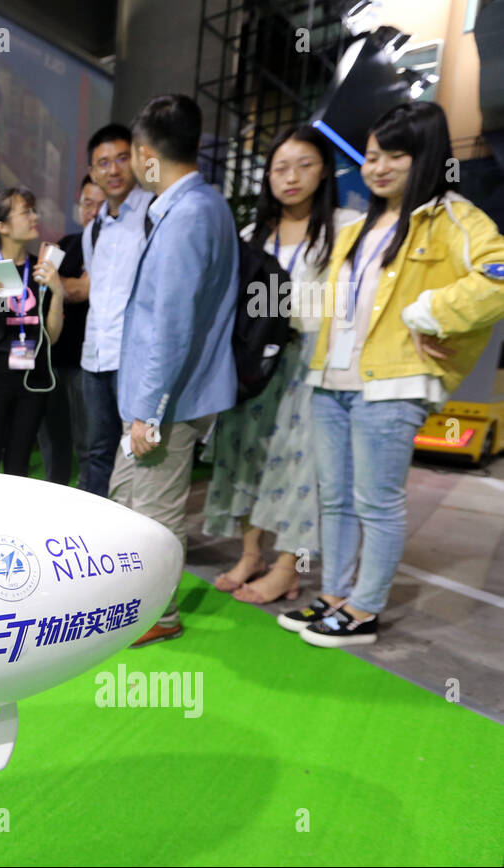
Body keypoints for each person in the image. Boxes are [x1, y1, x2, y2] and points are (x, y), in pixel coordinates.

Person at [278, 101, 504, 646]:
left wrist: (430, 314)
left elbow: (497, 276)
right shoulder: (359, 227)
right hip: (332, 380)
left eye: (395, 156)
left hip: (394, 382)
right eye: (372, 156)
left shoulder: (452, 216)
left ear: (424, 157)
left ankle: (364, 609)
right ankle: (334, 595)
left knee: (376, 501)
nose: (377, 168)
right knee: (335, 497)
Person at [203, 126, 362, 603]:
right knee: (246, 456)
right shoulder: (253, 234)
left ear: (325, 171)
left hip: (310, 365)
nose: (290, 177)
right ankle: (251, 554)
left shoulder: (347, 226)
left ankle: (287, 566)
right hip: (255, 368)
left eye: (304, 165)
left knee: (298, 466)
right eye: (279, 167)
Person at [109, 94, 239, 647]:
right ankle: (128, 602)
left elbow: (172, 327)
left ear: (145, 154)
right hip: (158, 398)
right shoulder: (194, 208)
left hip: (168, 402)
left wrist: (148, 413)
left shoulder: (190, 215)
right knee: (124, 502)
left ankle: (158, 613)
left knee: (155, 514)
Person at [0, 187, 66, 475]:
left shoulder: (42, 270)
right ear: (2, 226)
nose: (35, 217)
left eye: (33, 210)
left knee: (19, 466)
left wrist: (57, 292)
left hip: (31, 381)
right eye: (26, 212)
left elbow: (52, 337)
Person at [79, 124, 153, 497]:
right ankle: (90, 534)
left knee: (139, 452)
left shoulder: (153, 213)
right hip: (95, 356)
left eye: (122, 158)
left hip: (133, 359)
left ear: (138, 159)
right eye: (103, 163)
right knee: (97, 451)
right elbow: (93, 287)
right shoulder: (94, 230)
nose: (113, 170)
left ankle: (133, 536)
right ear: (93, 173)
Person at [37, 174, 104, 485]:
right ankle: (54, 499)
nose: (93, 211)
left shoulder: (112, 247)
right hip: (53, 359)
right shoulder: (67, 243)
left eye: (101, 205)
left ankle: (92, 505)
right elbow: (39, 283)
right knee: (53, 443)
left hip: (88, 363)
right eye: (87, 203)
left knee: (89, 444)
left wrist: (55, 283)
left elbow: (83, 291)